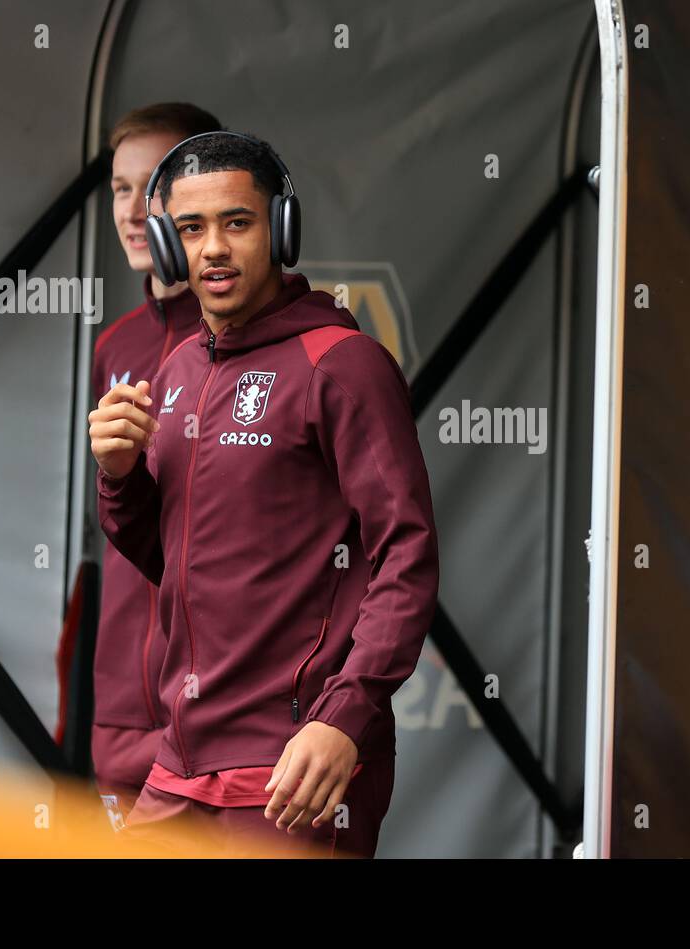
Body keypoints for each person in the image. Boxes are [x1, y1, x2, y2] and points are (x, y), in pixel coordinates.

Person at [87, 131, 439, 857]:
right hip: (178, 761)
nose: (213, 247)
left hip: (290, 767)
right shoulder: (181, 367)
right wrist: (118, 478)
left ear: (281, 229)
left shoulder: (343, 364)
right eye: (191, 228)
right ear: (167, 242)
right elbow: (172, 555)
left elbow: (405, 554)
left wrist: (345, 717)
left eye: (236, 222)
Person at [87, 103, 221, 831]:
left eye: (157, 185)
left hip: (232, 718)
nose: (134, 211)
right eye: (119, 187)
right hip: (122, 717)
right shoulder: (115, 345)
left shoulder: (283, 343)